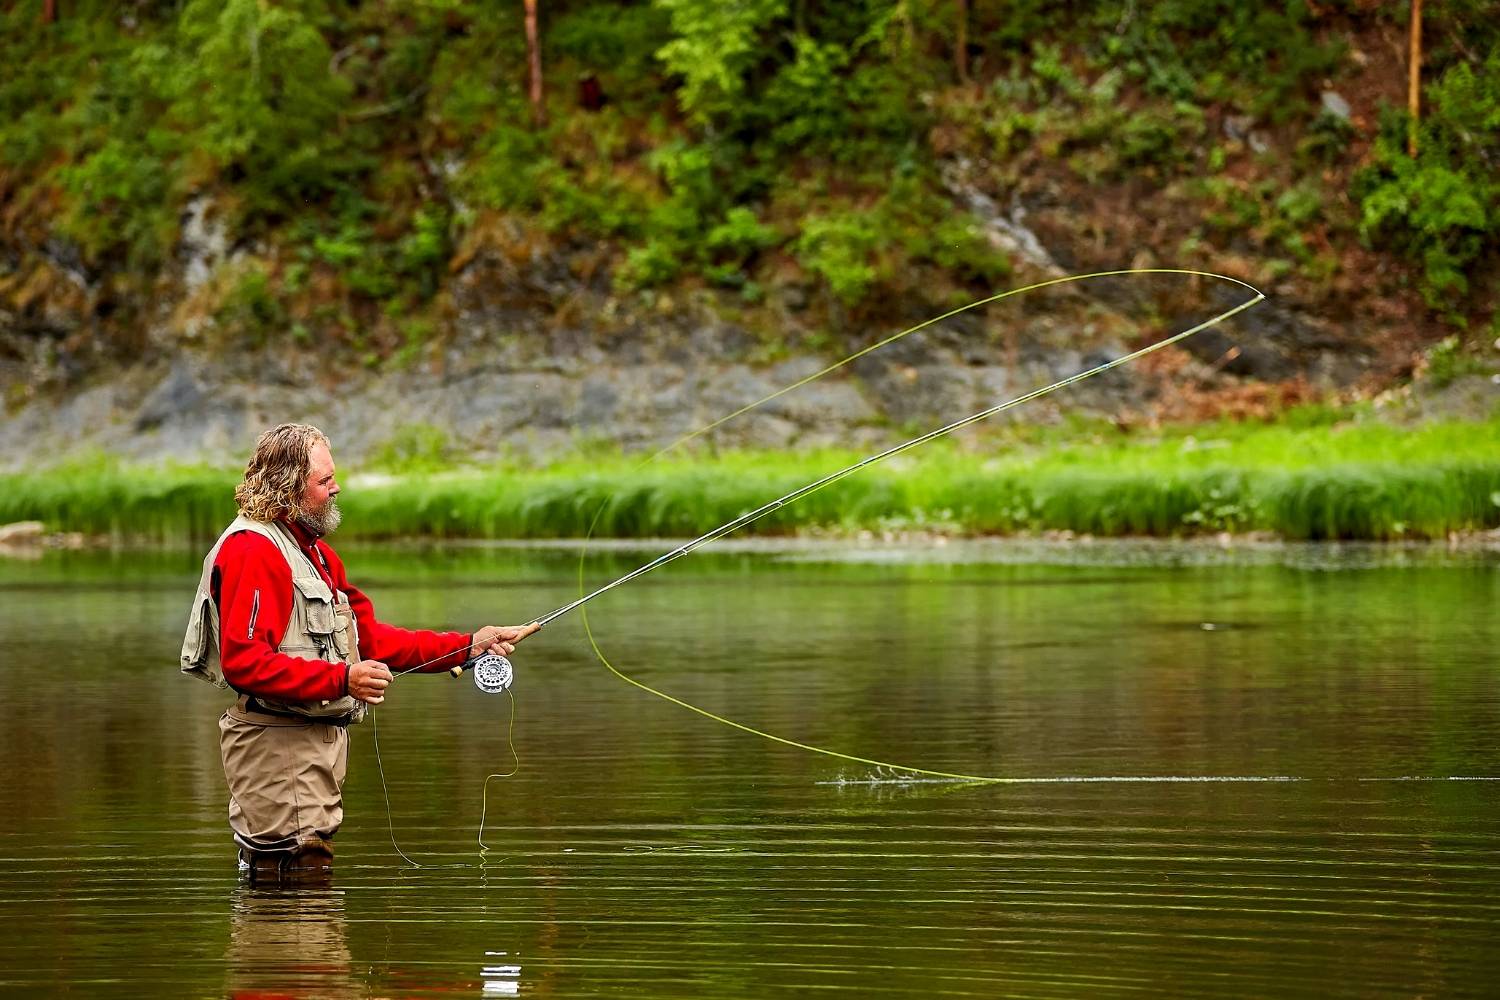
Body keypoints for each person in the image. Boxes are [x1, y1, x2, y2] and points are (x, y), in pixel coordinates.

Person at [180, 423, 536, 883]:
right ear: (289, 487)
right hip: (277, 747)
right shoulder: (253, 550)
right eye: (325, 480)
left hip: (307, 746)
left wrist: (468, 646)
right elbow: (244, 663)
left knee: (304, 888)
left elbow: (371, 641)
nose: (336, 488)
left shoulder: (315, 554)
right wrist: (342, 680)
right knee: (295, 881)